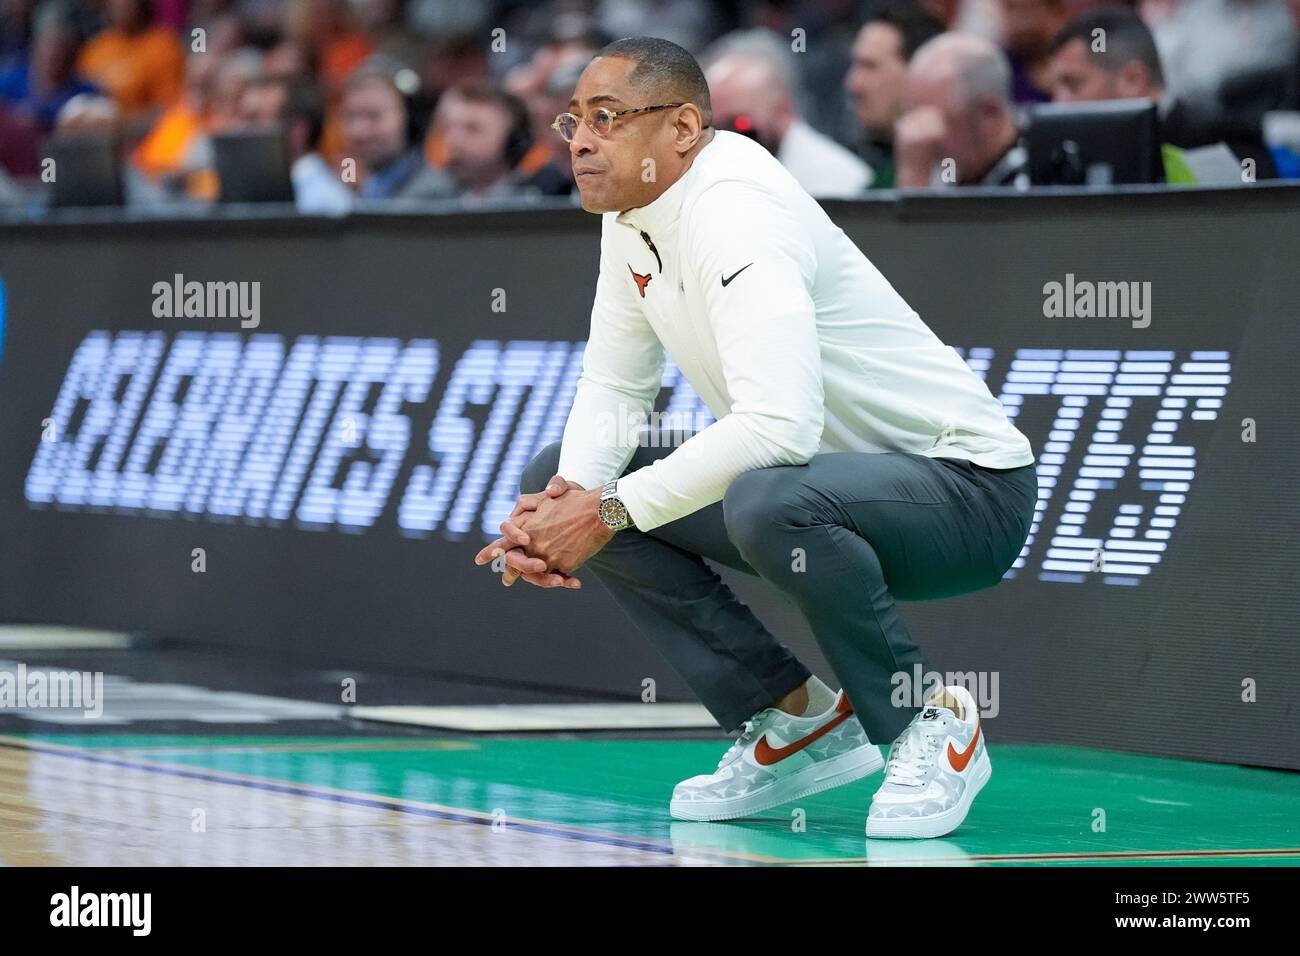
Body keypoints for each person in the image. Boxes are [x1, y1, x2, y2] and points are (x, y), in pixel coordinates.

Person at [473, 37, 1038, 839]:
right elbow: (618, 387)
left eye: (606, 119)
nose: (581, 142)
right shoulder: (632, 212)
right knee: (568, 476)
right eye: (574, 122)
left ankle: (928, 722)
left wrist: (602, 511)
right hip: (831, 487)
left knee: (760, 500)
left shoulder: (736, 210)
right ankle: (794, 715)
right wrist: (565, 504)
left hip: (969, 494)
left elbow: (778, 425)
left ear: (681, 129)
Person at [703, 29, 874, 197]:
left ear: (783, 111)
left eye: (736, 125)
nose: (718, 140)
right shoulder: (711, 175)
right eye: (707, 128)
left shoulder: (836, 183)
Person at [896, 32, 1029, 187]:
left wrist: (915, 176)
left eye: (935, 122)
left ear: (989, 113)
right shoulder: (953, 167)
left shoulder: (1034, 175)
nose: (920, 138)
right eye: (915, 119)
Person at [844, 4, 945, 188]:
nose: (853, 84)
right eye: (856, 65)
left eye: (870, 66)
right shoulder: (857, 162)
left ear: (918, 70)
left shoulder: (960, 168)